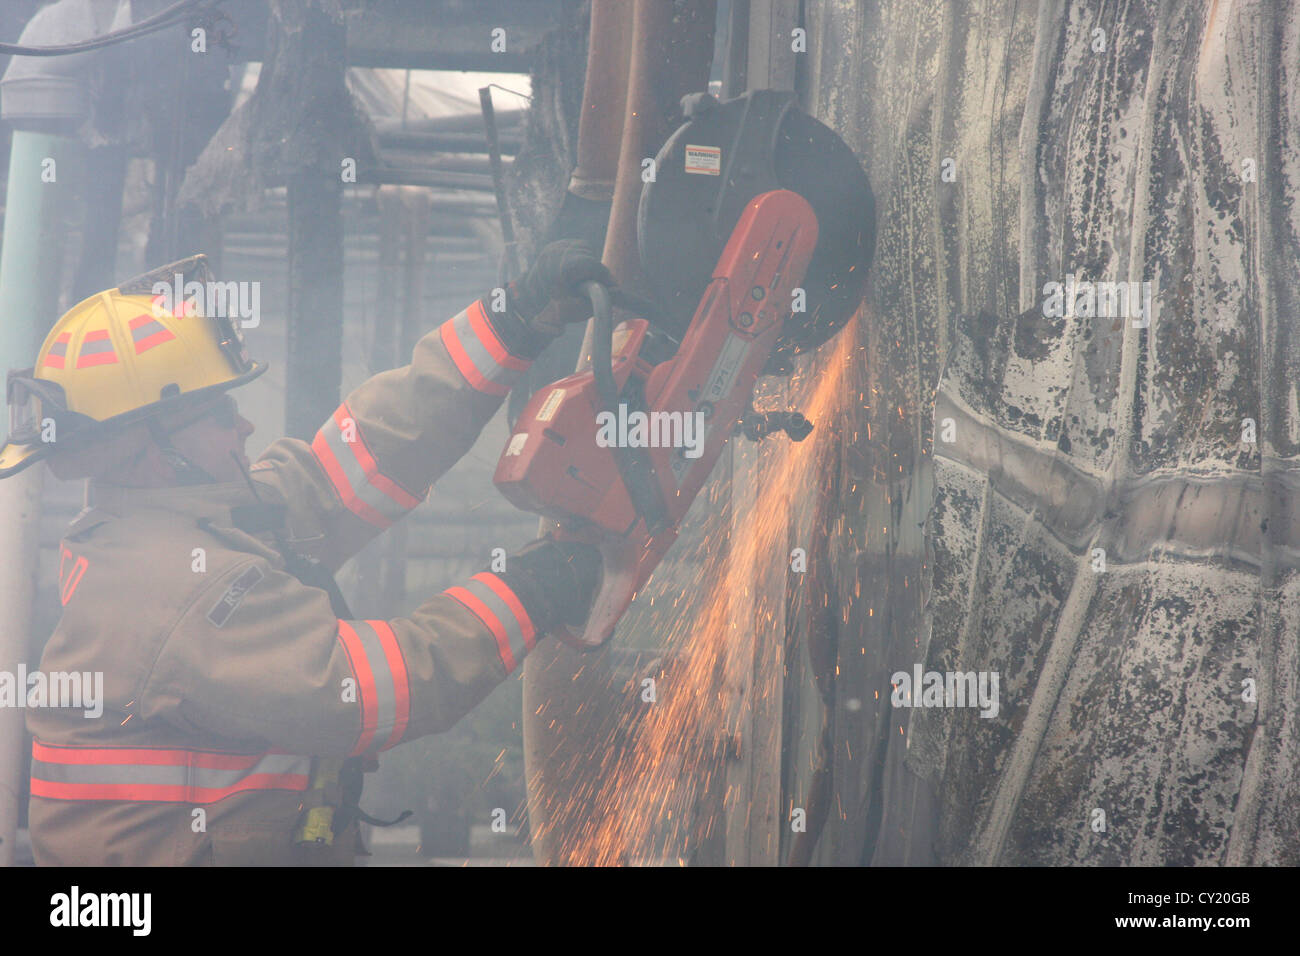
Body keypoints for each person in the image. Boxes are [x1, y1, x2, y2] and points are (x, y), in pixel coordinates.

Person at [0, 243, 609, 865]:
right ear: (151, 448)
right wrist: (535, 589)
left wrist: (512, 318)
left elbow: (359, 455)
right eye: (221, 413)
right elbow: (369, 690)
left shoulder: (171, 524)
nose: (245, 428)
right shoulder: (179, 589)